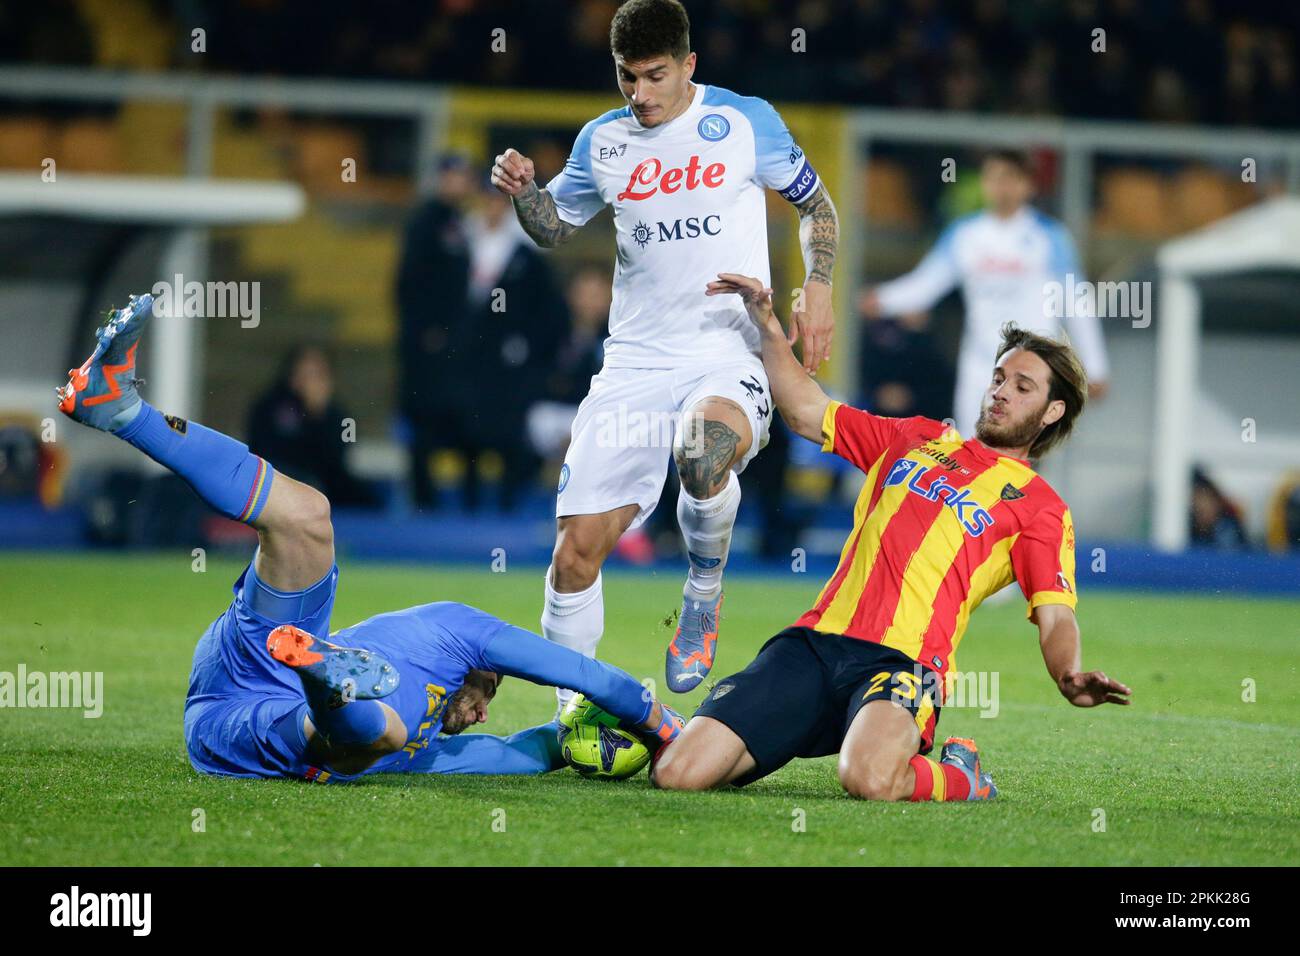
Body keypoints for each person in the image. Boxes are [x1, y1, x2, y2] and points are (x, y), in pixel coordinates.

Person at [57, 294, 683, 782]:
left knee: (371, 739)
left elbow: (524, 753)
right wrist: (662, 724)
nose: (484, 713)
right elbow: (573, 669)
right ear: (482, 666)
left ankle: (326, 683)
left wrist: (581, 744)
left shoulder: (427, 749)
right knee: (306, 516)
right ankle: (120, 408)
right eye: (490, 690)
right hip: (251, 660)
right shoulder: (458, 628)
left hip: (239, 728)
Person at [651, 273, 1130, 801]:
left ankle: (962, 778)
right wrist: (766, 323)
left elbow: (1056, 613)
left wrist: (1069, 674)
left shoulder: (1041, 508)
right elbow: (807, 410)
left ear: (1052, 411)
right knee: (677, 774)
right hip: (815, 643)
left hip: (905, 663)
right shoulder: (916, 437)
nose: (999, 393)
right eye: (999, 378)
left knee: (870, 779)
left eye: (1022, 387)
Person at [490, 0, 839, 699]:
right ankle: (573, 713)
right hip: (635, 362)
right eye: (627, 77)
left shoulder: (745, 123)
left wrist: (818, 287)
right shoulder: (603, 141)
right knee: (575, 553)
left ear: (689, 66)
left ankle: (702, 594)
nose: (640, 95)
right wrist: (528, 195)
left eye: (655, 76)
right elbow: (556, 228)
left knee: (702, 450)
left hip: (727, 348)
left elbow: (817, 208)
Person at [862, 149, 1110, 439]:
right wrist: (883, 299)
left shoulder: (1050, 237)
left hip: (1035, 368)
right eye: (995, 178)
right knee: (972, 452)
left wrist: (1095, 367)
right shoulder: (965, 234)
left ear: (1027, 185)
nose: (1002, 186)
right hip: (981, 368)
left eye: (1011, 178)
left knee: (1022, 458)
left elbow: (1076, 302)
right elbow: (927, 284)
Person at [396, 153, 474, 511]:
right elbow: (408, 282)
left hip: (451, 344)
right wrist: (426, 331)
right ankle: (422, 498)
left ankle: (449, 498)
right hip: (426, 345)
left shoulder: (457, 221)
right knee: (423, 419)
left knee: (451, 419)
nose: (459, 183)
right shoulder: (426, 222)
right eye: (453, 176)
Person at [246, 344, 376, 509]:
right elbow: (264, 451)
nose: (309, 381)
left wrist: (318, 415)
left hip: (326, 487)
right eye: (304, 374)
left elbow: (339, 458)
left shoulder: (339, 415)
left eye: (317, 375)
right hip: (281, 485)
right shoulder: (268, 408)